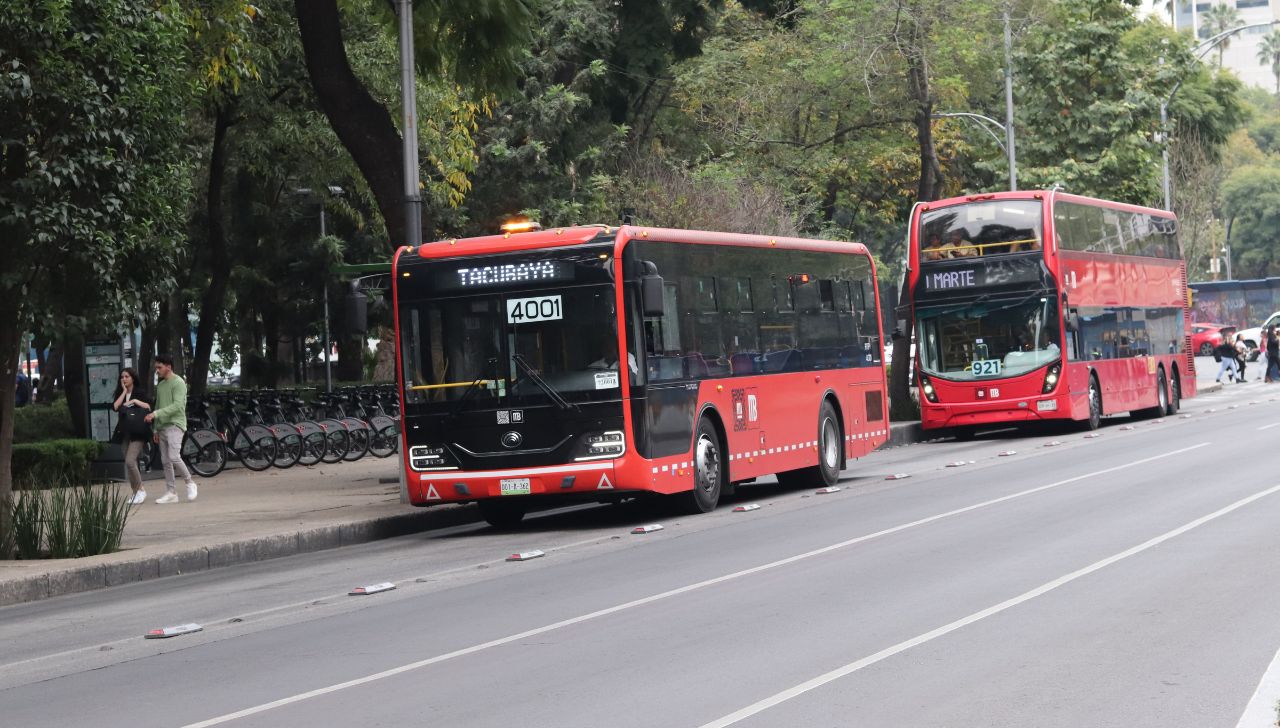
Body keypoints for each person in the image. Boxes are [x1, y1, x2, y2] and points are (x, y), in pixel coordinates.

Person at [144, 354, 198, 503]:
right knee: (165, 461)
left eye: (159, 367)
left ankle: (190, 482)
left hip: (175, 424)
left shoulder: (179, 382)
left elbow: (177, 406)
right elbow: (159, 405)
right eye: (156, 368)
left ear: (169, 366)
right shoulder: (161, 385)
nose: (157, 371)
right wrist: (155, 428)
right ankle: (171, 492)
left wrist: (155, 414)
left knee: (174, 457)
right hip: (162, 427)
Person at [112, 368, 151, 505]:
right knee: (129, 464)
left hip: (138, 432)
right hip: (124, 432)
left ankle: (141, 489)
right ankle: (135, 492)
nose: (124, 379)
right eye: (122, 377)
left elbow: (148, 406)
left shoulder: (139, 392)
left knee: (130, 461)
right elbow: (115, 407)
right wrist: (123, 392)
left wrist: (133, 400)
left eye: (127, 376)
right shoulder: (120, 392)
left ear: (132, 378)